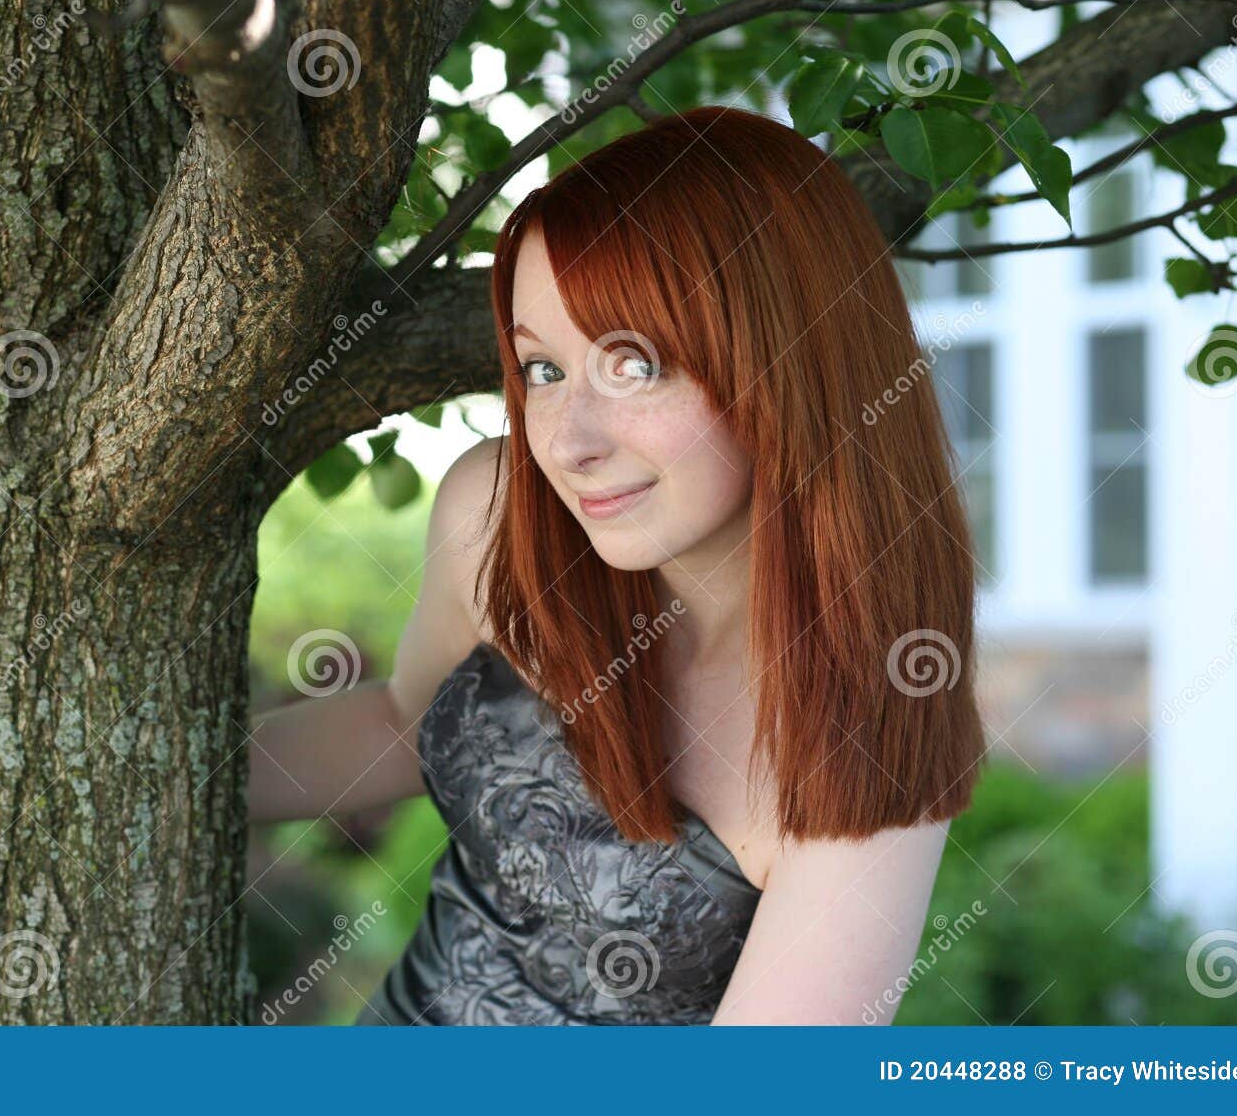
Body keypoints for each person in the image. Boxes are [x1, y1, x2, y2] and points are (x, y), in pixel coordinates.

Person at [248, 104, 986, 1025]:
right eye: (543, 371)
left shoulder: (863, 721)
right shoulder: (496, 511)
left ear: (787, 359)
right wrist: (174, 777)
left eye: (633, 366)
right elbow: (409, 723)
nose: (569, 443)